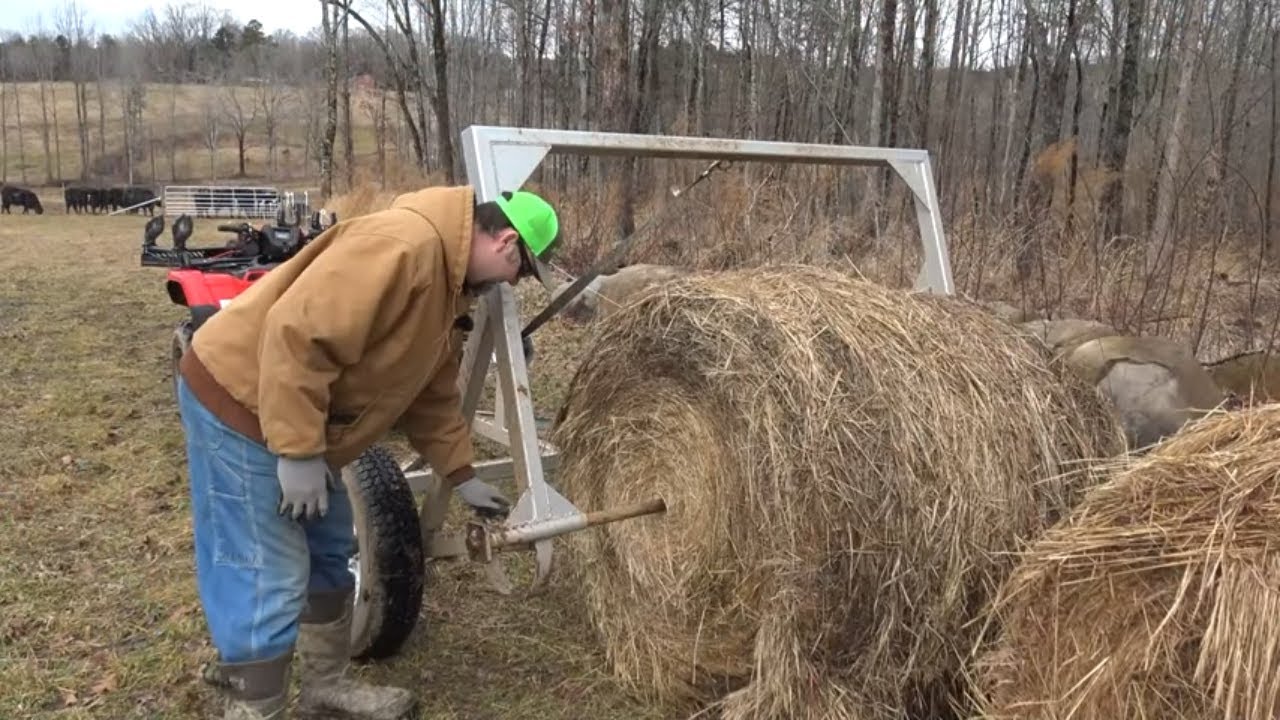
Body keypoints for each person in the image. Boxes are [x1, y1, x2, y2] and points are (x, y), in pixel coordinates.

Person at [174, 185, 561, 720]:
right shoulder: (403, 246)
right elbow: (298, 334)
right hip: (242, 401)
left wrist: (460, 470)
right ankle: (251, 708)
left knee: (332, 548)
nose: (512, 283)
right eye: (520, 270)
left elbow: (430, 390)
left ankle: (324, 686)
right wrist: (297, 452)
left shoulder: (449, 286)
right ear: (508, 243)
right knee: (268, 568)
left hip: (299, 418)